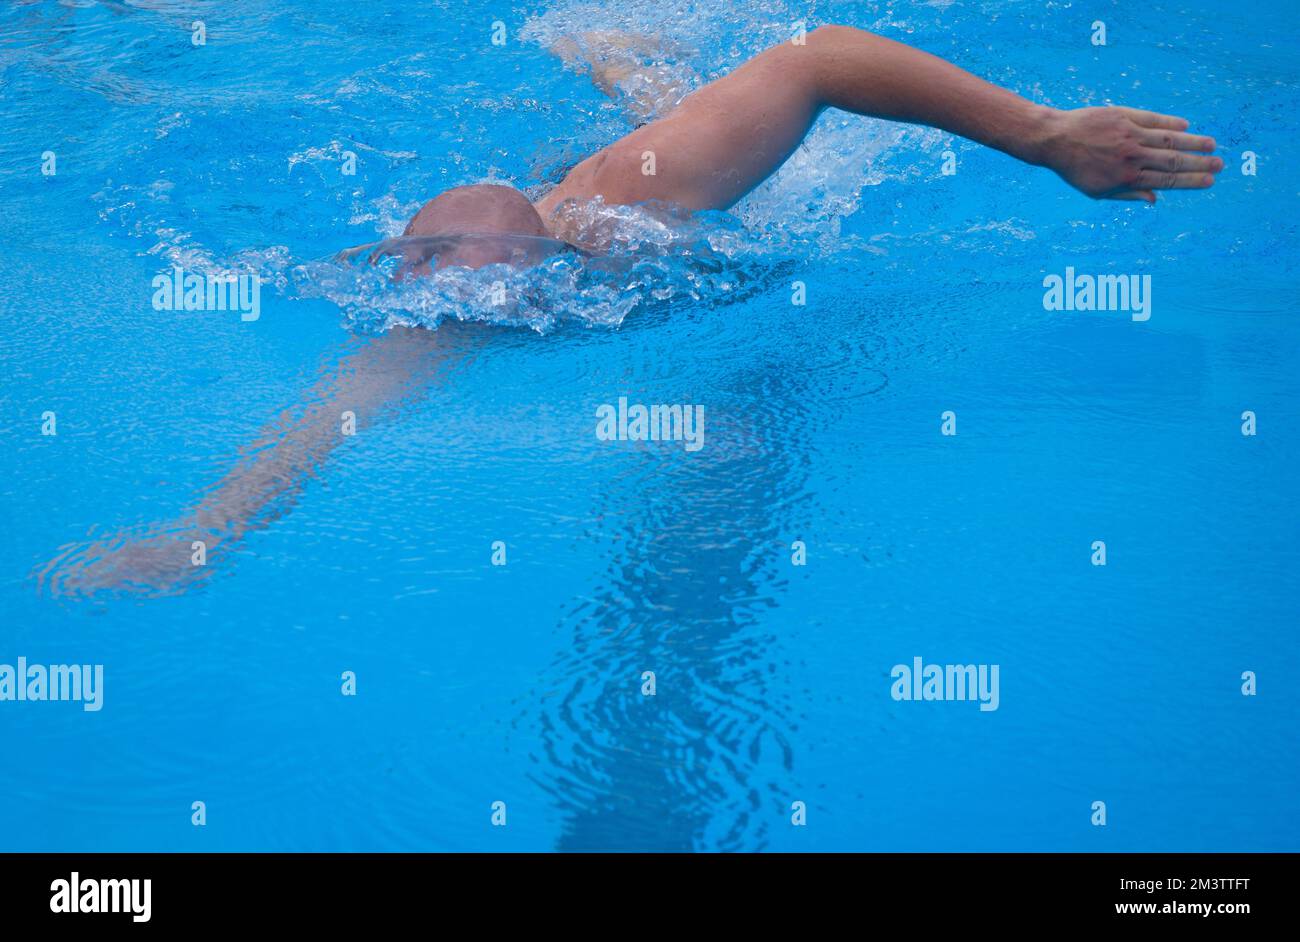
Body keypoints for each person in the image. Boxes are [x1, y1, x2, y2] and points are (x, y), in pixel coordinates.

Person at [41, 25, 1221, 596]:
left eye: (486, 257)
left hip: (667, 213)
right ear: (403, 272)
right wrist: (201, 537)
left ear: (543, 249)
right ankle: (628, 72)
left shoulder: (612, 216)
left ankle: (619, 60)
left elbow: (818, 57)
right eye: (441, 267)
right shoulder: (438, 325)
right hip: (639, 219)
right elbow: (321, 424)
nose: (466, 283)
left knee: (667, 164)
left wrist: (1044, 134)